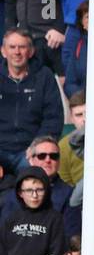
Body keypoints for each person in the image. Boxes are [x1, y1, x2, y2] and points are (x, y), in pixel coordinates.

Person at [0, 168, 64, 255]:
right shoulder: (10, 219)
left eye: (39, 190)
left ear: (46, 190)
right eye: (29, 190)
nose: (34, 195)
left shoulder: (54, 219)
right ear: (20, 193)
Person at [0, 28, 63, 173]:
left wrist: (37, 146)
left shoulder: (44, 76)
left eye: (22, 47)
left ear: (31, 51)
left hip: (30, 151)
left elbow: (53, 118)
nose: (17, 52)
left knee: (39, 166)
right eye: (12, 47)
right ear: (3, 51)